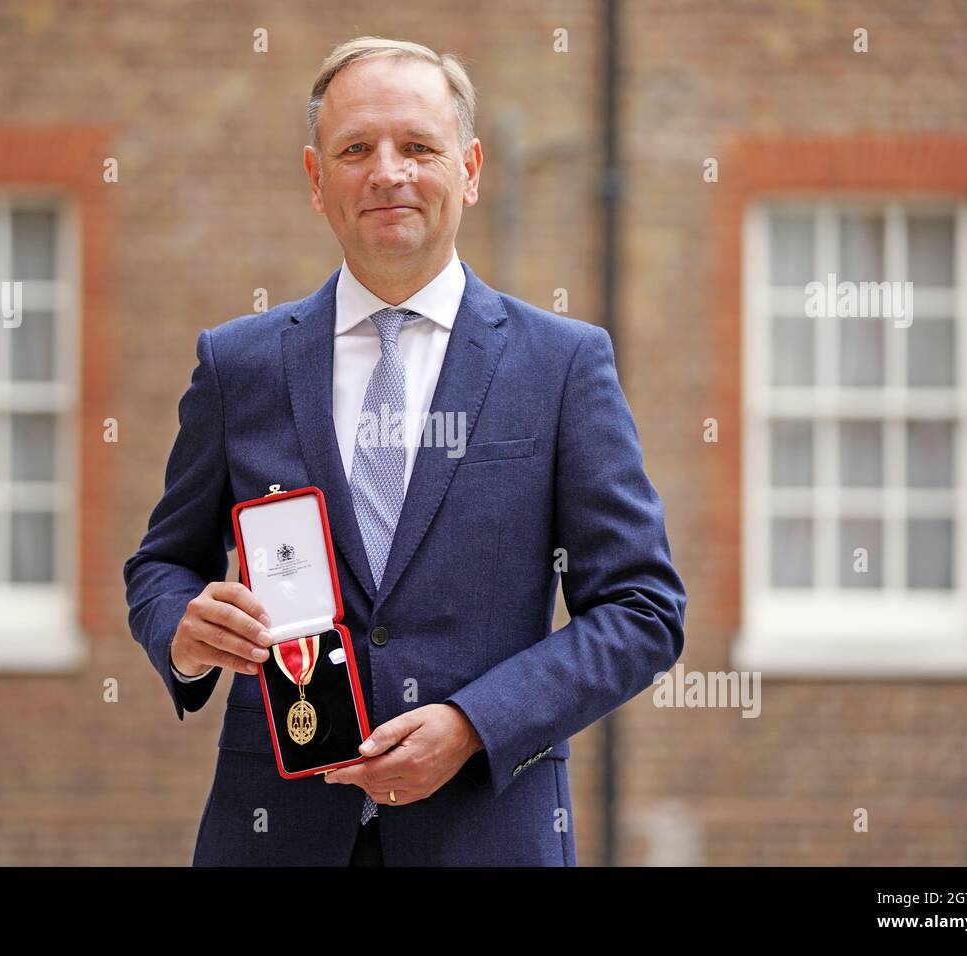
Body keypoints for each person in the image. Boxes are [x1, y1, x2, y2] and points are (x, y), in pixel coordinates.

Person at [122, 36, 687, 866]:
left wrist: (472, 726)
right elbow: (160, 565)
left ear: (471, 169)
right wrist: (182, 627)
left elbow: (643, 608)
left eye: (418, 146)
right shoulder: (238, 364)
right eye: (356, 149)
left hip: (486, 830)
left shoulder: (562, 365)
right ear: (317, 180)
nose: (388, 172)